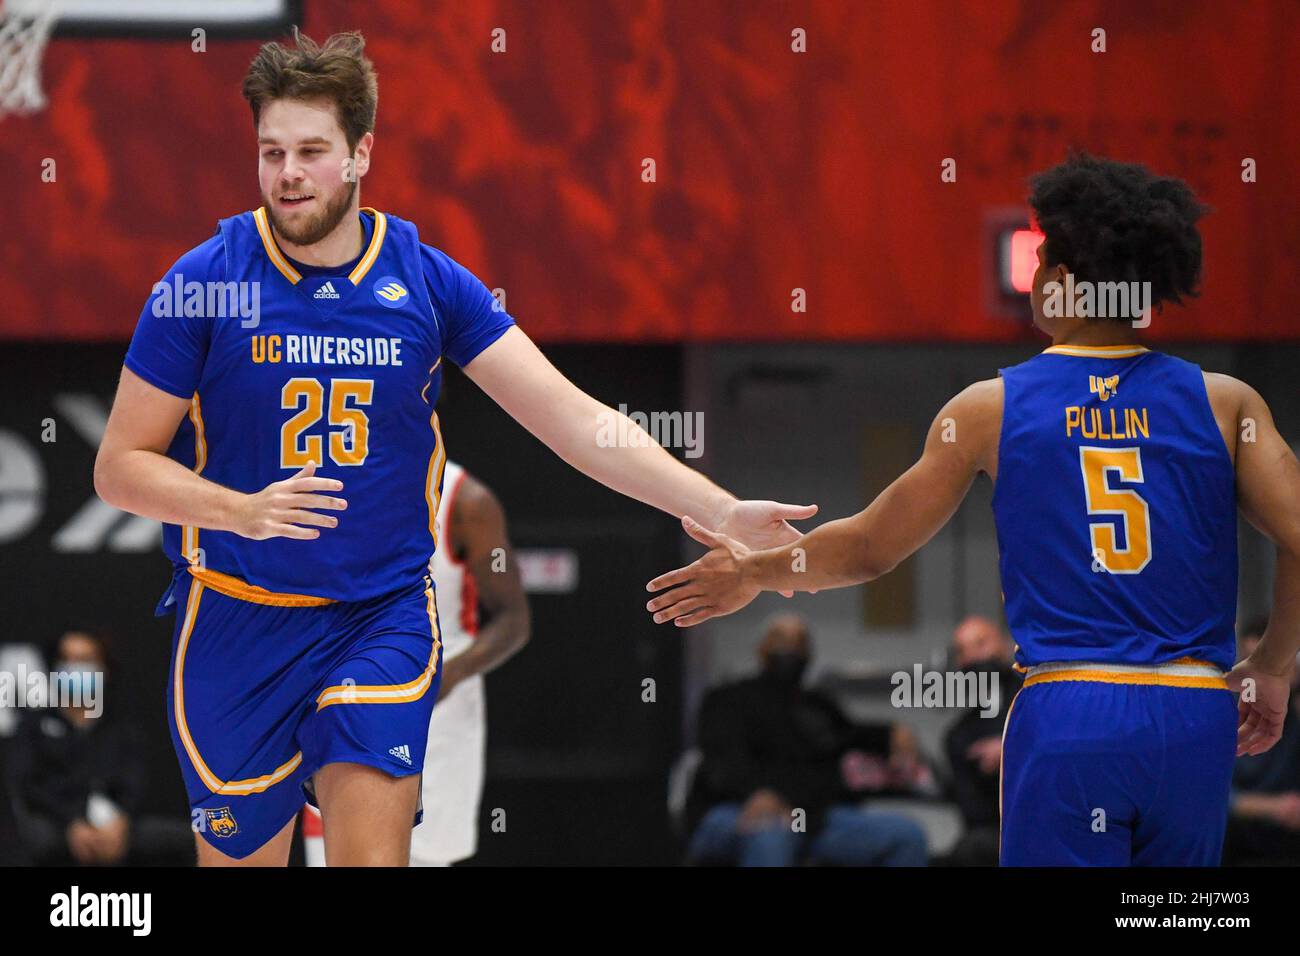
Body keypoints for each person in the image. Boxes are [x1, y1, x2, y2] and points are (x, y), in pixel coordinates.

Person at [92, 29, 814, 866]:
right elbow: (119, 466)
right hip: (234, 616)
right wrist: (238, 512)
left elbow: (574, 419)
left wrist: (717, 505)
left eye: (312, 151)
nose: (287, 173)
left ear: (361, 153)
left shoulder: (428, 282)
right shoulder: (202, 281)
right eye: (271, 152)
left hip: (378, 615)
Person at [647, 153, 1300, 866]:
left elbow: (871, 548)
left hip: (1070, 706)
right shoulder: (1225, 401)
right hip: (1194, 709)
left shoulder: (992, 408)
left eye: (1045, 259)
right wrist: (1271, 664)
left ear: (1062, 279)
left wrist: (754, 571)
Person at [303, 460, 530, 866]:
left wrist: (451, 672)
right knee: (333, 853)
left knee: (424, 857)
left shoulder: (467, 500)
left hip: (436, 715)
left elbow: (515, 620)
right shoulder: (323, 484)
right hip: (342, 708)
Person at [686, 614, 927, 866]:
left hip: (811, 817)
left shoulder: (818, 705)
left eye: (798, 642)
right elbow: (721, 761)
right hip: (737, 809)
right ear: (762, 648)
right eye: (781, 639)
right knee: (772, 833)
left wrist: (894, 732)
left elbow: (850, 734)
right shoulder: (726, 699)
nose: (789, 649)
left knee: (906, 836)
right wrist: (758, 793)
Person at [5, 629, 191, 866]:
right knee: (34, 839)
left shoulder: (122, 726)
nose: (75, 669)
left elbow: (135, 783)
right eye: (67, 659)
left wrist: (120, 821)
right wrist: (71, 821)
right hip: (56, 824)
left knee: (186, 838)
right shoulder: (33, 726)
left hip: (117, 825)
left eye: (84, 660)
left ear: (104, 668)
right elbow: (28, 784)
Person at [941, 615, 1021, 866]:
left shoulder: (1040, 701)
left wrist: (1013, 749)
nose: (974, 657)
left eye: (981, 643)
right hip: (999, 833)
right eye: (963, 650)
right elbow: (974, 816)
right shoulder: (959, 736)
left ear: (1006, 645)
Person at [1222, 618, 1300, 865]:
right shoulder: (1224, 714)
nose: (1259, 680)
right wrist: (1273, 808)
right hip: (1237, 847)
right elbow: (1207, 794)